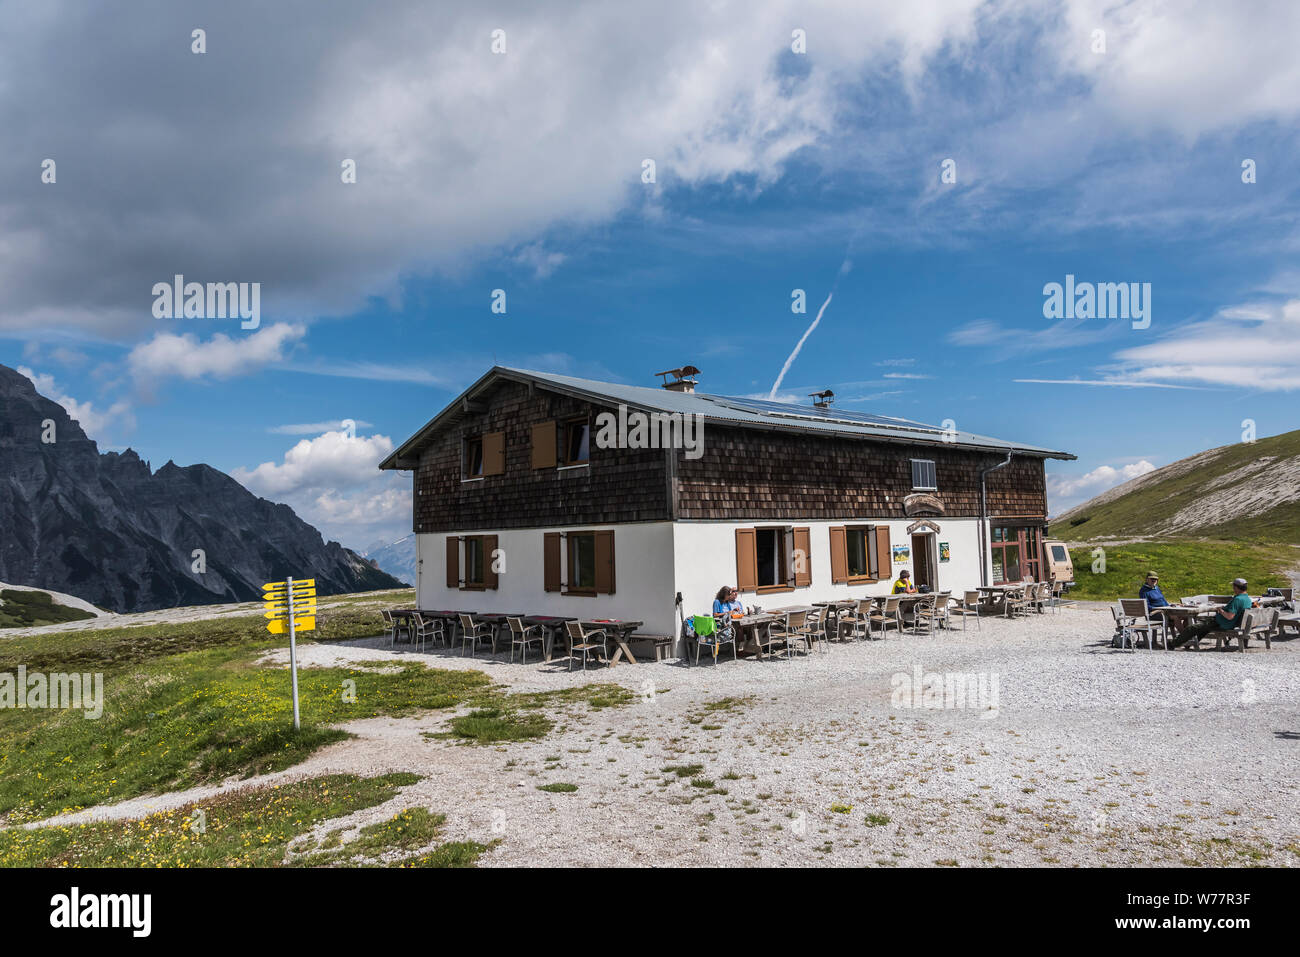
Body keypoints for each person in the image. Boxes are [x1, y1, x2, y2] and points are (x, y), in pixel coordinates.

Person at [1176, 578, 1257, 647]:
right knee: (1203, 628)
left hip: (1223, 623)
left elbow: (1230, 616)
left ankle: (1172, 644)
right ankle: (1188, 643)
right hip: (1232, 623)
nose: (1233, 588)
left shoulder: (1238, 599)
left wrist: (1220, 610)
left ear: (1237, 587)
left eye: (1234, 586)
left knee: (1192, 627)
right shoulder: (1247, 599)